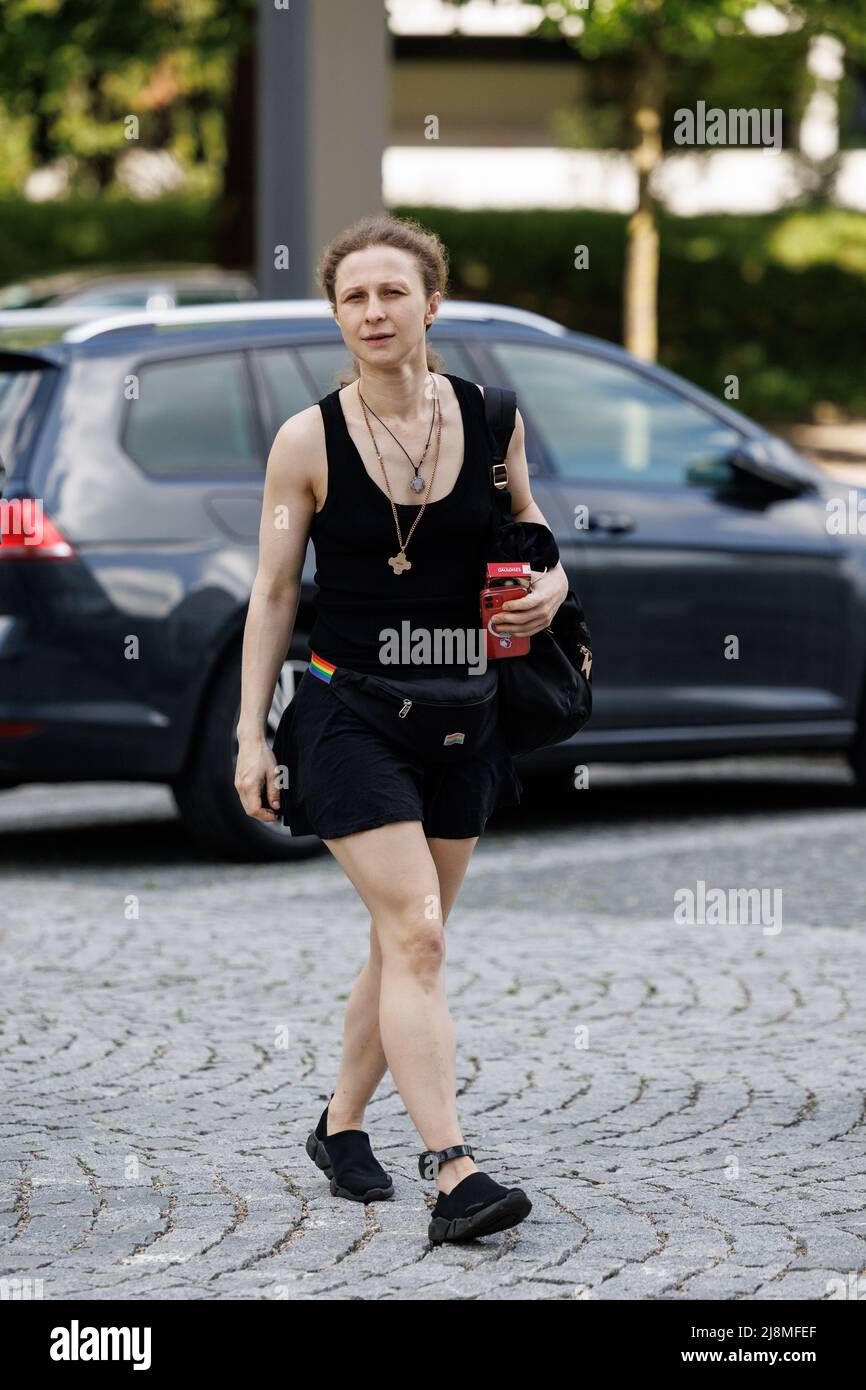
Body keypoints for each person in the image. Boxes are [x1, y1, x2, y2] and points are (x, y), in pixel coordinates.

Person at [235, 213, 569, 1244]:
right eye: (351, 298)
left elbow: (531, 532)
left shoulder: (491, 415)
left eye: (391, 292)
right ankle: (453, 1169)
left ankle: (339, 1128)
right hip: (349, 712)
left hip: (464, 712)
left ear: (432, 303)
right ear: (336, 317)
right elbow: (274, 587)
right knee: (417, 932)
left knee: (404, 943)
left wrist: (549, 586)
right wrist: (251, 732)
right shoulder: (307, 439)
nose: (372, 312)